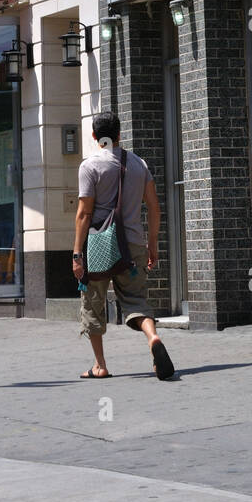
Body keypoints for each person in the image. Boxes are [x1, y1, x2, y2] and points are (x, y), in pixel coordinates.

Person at [73, 110, 174, 381]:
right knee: (136, 301)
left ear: (95, 136)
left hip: (99, 247)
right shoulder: (138, 164)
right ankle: (153, 337)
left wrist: (76, 254)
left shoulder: (90, 166)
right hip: (133, 245)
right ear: (119, 135)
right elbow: (154, 207)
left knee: (93, 304)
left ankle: (100, 365)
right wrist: (152, 244)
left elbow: (84, 214)